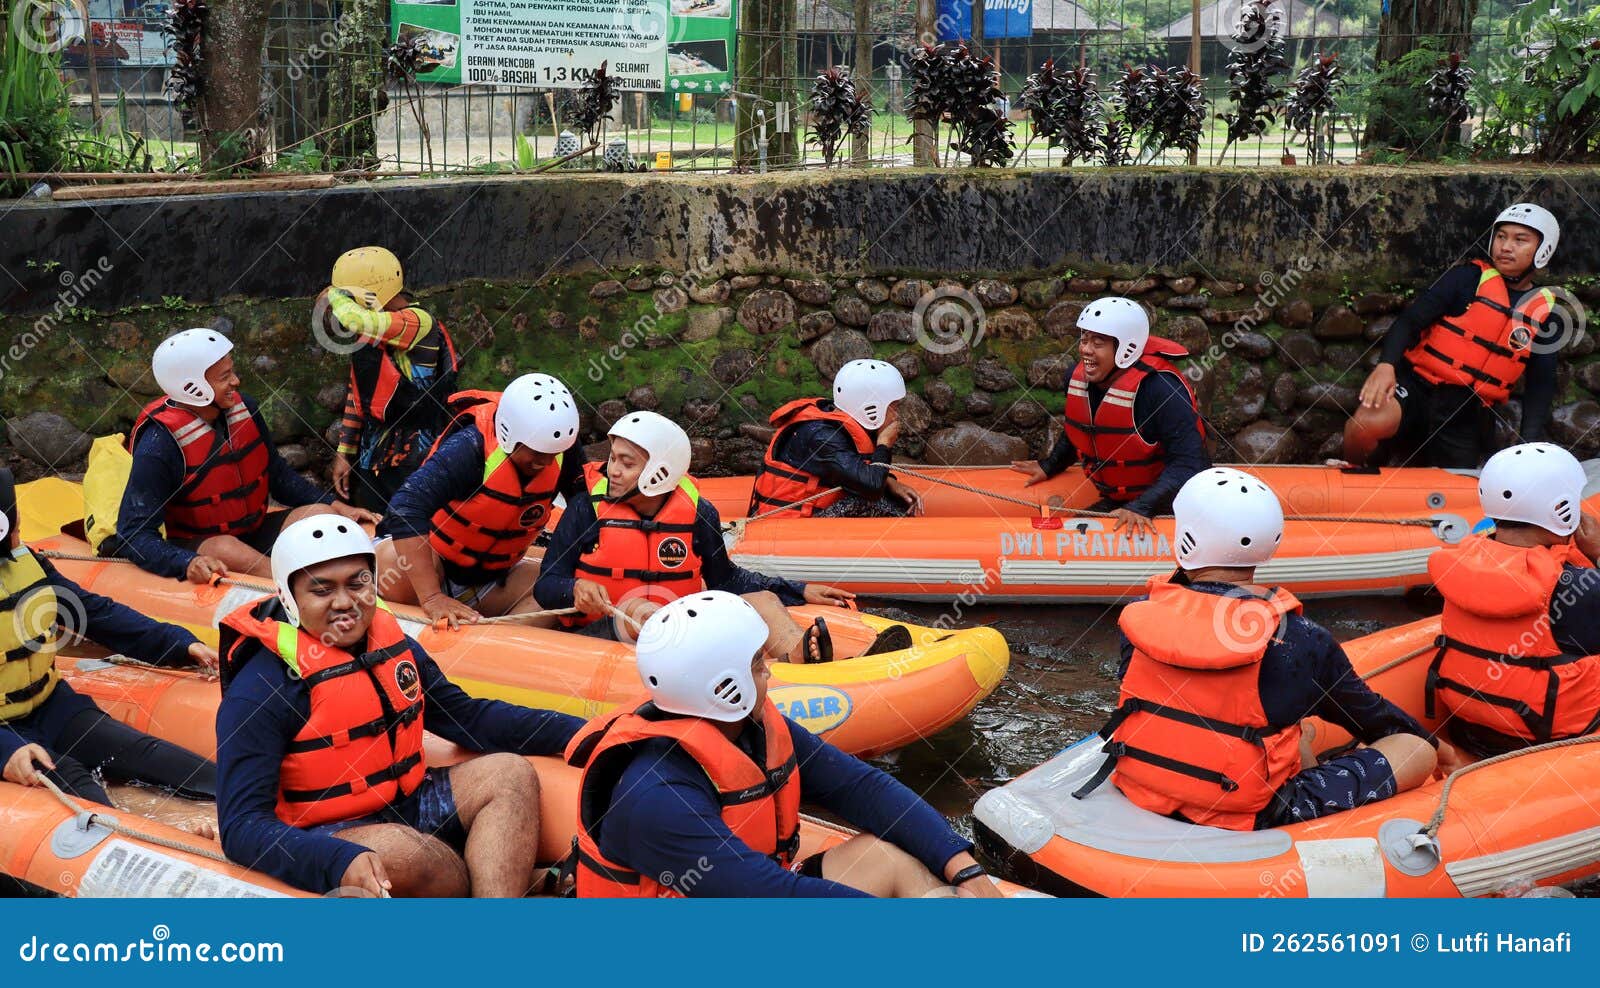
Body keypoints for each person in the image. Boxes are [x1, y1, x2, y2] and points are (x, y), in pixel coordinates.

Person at [214, 515, 584, 897]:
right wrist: (335, 859)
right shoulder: (260, 689)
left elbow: (467, 717)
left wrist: (575, 732)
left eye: (357, 583)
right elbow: (241, 826)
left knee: (510, 773)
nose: (345, 602)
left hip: (407, 802)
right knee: (411, 852)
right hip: (325, 832)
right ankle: (504, 884)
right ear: (289, 597)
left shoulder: (394, 645)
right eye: (322, 590)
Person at [566, 591, 1003, 897]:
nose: (770, 671)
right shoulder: (656, 796)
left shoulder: (749, 729)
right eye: (758, 663)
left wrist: (964, 868)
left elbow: (862, 788)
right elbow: (770, 898)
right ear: (723, 686)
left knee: (883, 857)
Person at [1072, 467, 1440, 830]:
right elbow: (1371, 719)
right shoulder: (1299, 637)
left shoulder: (1139, 615)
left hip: (1143, 783)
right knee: (1415, 749)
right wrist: (1439, 748)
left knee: (1299, 730)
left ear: (1185, 537)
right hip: (1254, 812)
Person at [534, 410, 877, 663]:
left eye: (626, 463)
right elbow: (546, 585)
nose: (613, 471)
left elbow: (726, 580)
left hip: (679, 634)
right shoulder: (585, 510)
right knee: (640, 611)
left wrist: (798, 590)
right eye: (612, 459)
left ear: (659, 471)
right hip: (604, 637)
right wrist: (574, 588)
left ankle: (803, 662)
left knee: (763, 600)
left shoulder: (699, 513)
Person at [0, 468, 217, 807]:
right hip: (4, 732)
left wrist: (179, 643)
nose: (19, 531)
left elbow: (97, 614)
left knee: (149, 755)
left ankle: (256, 816)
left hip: (52, 707)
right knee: (76, 783)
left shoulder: (28, 565)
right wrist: (6, 751)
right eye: (15, 525)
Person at [105, 328, 378, 583]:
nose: (236, 381)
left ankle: (347, 582)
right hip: (202, 544)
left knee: (323, 516)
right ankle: (303, 588)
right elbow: (134, 534)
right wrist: (186, 562)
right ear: (193, 387)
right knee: (227, 547)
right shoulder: (159, 443)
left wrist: (337, 506)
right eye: (225, 377)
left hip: (255, 530)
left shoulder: (245, 406)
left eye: (231, 372)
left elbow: (277, 476)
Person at [1345, 203, 1562, 469]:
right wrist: (1386, 365)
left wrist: (1528, 443)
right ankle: (1355, 473)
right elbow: (1409, 322)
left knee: (1457, 479)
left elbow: (1541, 384)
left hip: (1466, 411)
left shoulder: (1545, 313)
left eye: (1520, 240)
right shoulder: (1465, 279)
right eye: (1501, 236)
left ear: (1543, 249)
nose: (1506, 247)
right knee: (1363, 426)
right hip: (1417, 388)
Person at [1425, 442, 1600, 760]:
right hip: (1543, 738)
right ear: (1562, 509)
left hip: (1467, 726)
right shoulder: (1578, 587)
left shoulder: (1462, 561)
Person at [377, 373, 584, 628]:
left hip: (493, 580)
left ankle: (493, 643)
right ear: (509, 434)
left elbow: (586, 508)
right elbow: (404, 508)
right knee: (395, 568)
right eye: (536, 452)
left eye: (552, 453)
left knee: (554, 593)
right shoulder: (469, 448)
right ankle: (430, 608)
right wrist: (432, 597)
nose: (545, 461)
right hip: (434, 566)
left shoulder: (561, 446)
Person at [1010, 296, 1209, 535]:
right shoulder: (1078, 376)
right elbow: (1083, 428)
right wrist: (1050, 465)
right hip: (1120, 499)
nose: (1085, 349)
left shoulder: (1162, 389)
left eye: (1098, 343)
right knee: (1070, 537)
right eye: (1084, 339)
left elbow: (1190, 464)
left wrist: (1142, 506)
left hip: (1172, 502)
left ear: (1126, 348)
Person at [321, 246, 460, 514]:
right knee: (374, 525)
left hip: (416, 458)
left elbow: (355, 319)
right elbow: (358, 393)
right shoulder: (372, 332)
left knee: (409, 527)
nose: (346, 301)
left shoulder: (418, 321)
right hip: (372, 456)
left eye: (349, 295)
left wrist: (334, 295)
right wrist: (344, 452)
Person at [747, 359, 923, 519]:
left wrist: (889, 482)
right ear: (872, 408)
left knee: (897, 502)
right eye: (894, 407)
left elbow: (851, 469)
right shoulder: (822, 436)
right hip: (788, 525)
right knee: (873, 504)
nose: (897, 415)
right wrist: (884, 444)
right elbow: (872, 488)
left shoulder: (842, 421)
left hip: (811, 513)